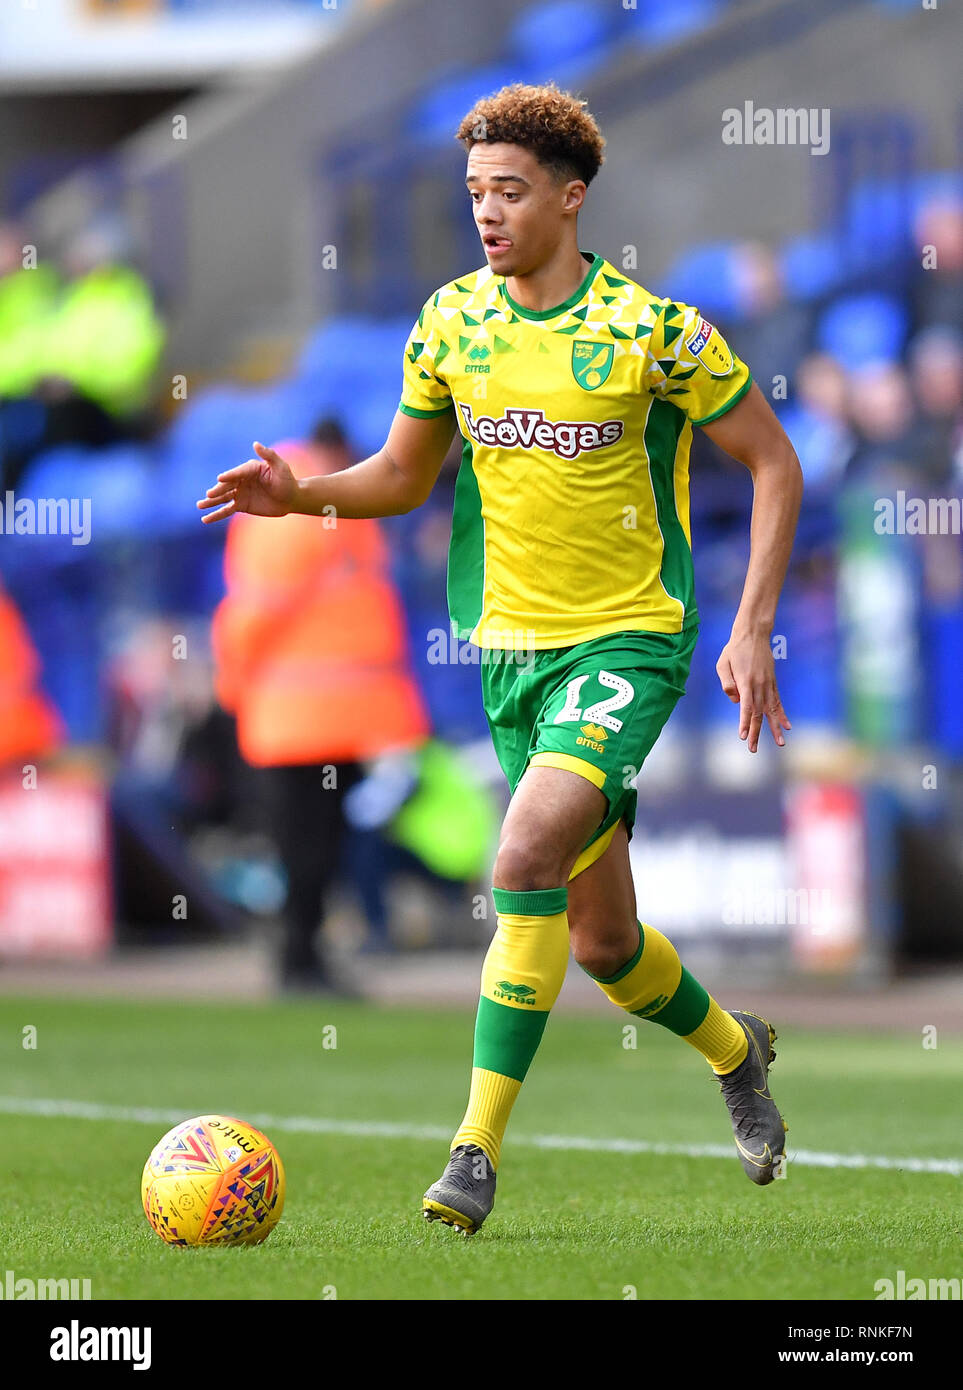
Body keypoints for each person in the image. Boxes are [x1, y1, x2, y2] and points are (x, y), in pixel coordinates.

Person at [198, 83, 802, 1232]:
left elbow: (775, 462)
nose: (486, 211)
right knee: (604, 941)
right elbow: (401, 476)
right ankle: (739, 1051)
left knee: (519, 847)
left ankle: (473, 1151)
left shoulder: (657, 333)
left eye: (509, 191)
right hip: (510, 657)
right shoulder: (449, 324)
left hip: (631, 638)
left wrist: (751, 622)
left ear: (572, 199)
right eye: (475, 191)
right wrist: (299, 495)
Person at [210, 417, 430, 992]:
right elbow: (264, 607)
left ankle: (302, 958)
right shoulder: (308, 505)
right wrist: (234, 688)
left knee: (312, 846)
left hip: (309, 719)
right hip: (307, 719)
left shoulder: (313, 504)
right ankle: (298, 960)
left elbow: (260, 609)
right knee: (309, 847)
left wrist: (234, 689)